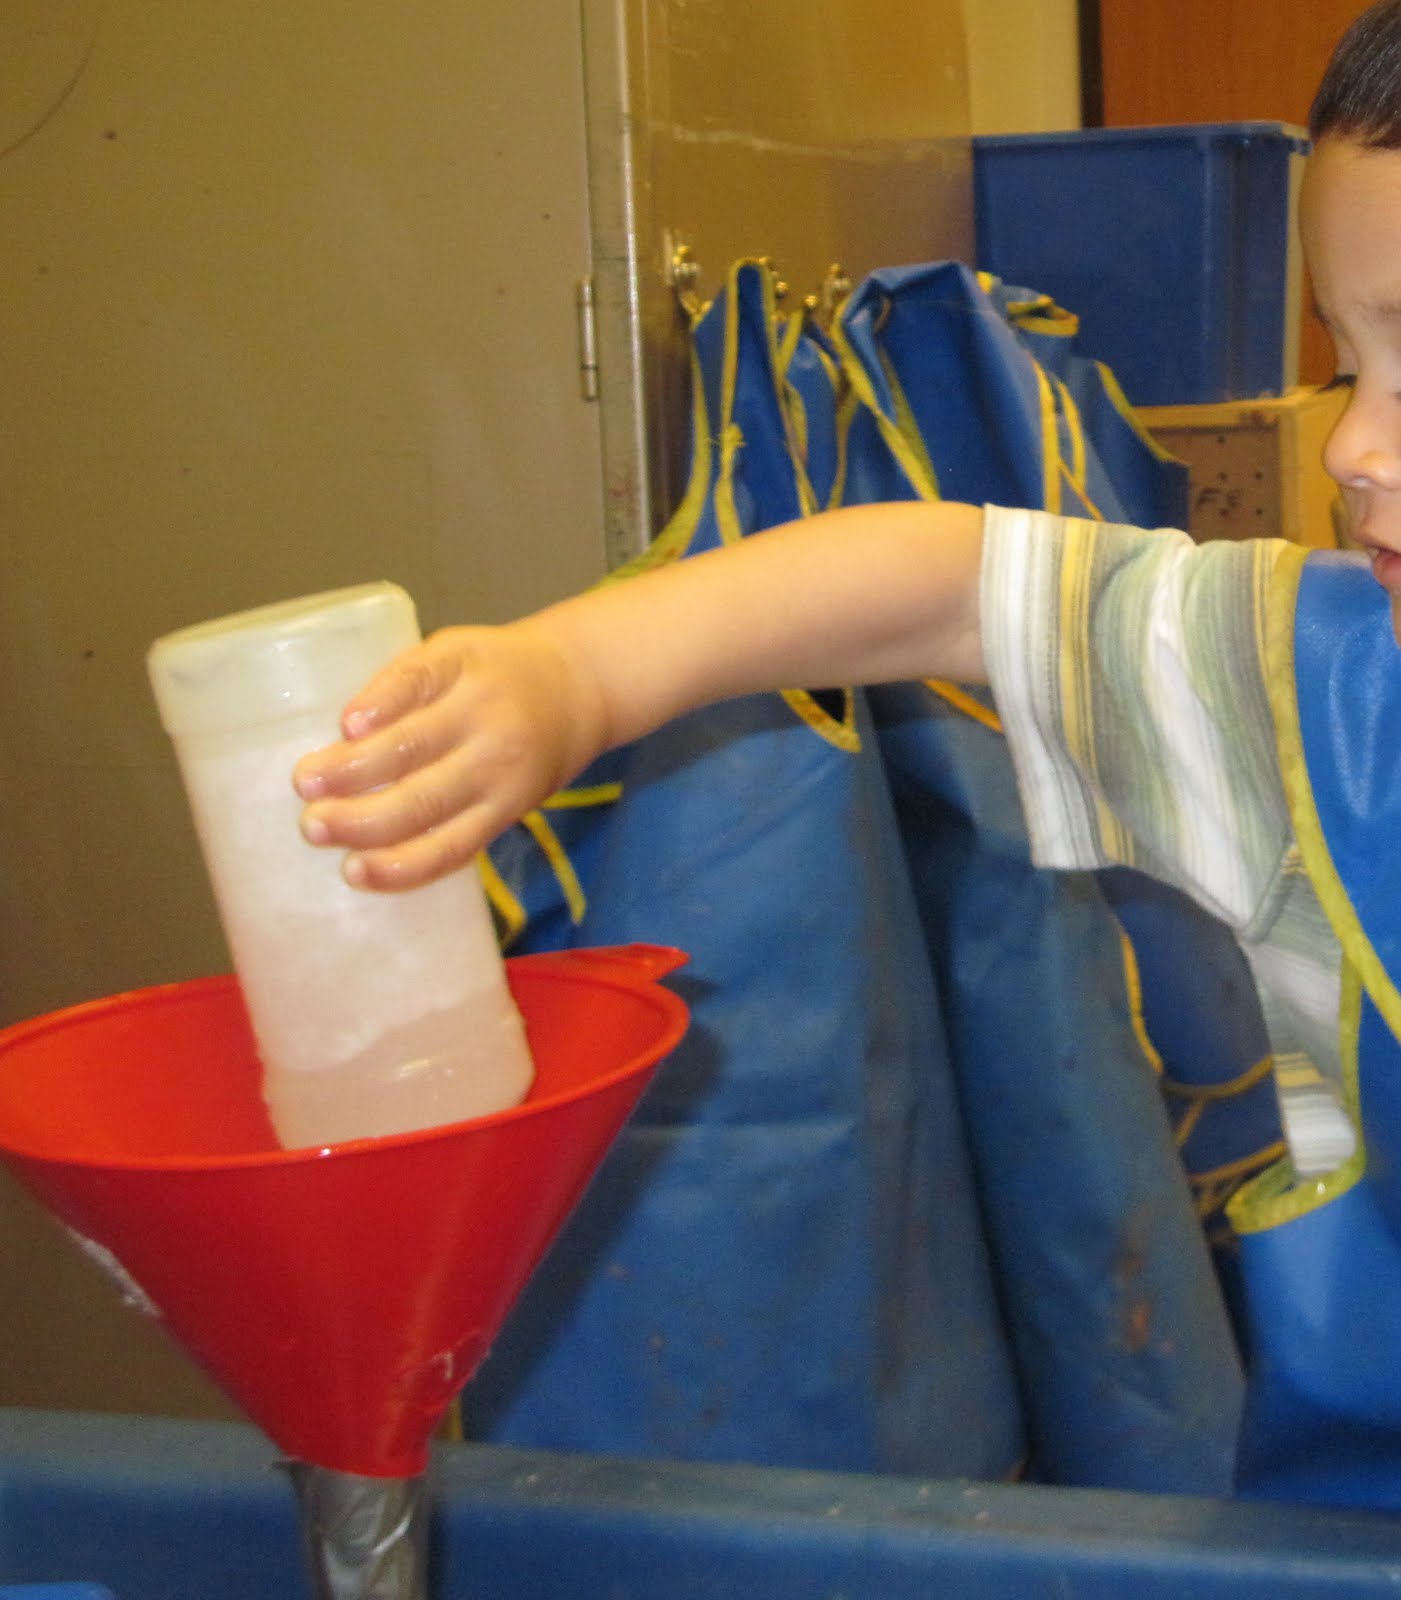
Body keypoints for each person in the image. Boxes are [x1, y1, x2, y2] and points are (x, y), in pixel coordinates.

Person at [293, 0, 1401, 1503]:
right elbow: (941, 582)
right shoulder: (1305, 686)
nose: (1348, 446)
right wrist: (572, 676)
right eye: (1348, 355)